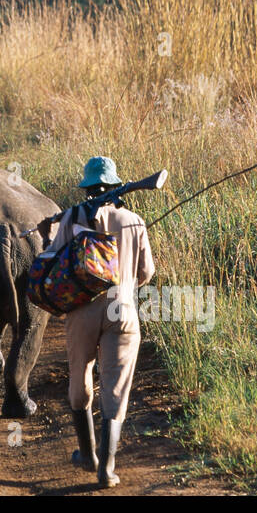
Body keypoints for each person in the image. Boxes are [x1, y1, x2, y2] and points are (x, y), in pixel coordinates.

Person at [44, 155, 154, 488]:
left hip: (81, 309)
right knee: (116, 383)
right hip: (121, 309)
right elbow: (146, 274)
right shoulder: (134, 219)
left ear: (88, 188)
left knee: (80, 373)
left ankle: (86, 452)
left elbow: (54, 262)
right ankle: (106, 468)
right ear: (116, 187)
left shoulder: (73, 217)